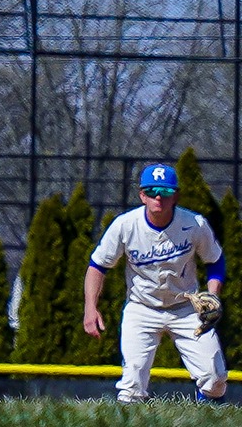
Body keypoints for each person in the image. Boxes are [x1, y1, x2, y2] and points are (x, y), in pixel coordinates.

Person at [84, 163, 228, 403]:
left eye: (166, 191)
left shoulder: (194, 224)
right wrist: (90, 307)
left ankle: (207, 413)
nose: (158, 196)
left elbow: (215, 261)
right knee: (131, 389)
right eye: (151, 191)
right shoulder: (125, 225)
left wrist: (212, 295)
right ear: (142, 195)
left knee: (215, 379)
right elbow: (97, 266)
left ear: (176, 196)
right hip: (142, 309)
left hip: (186, 309)